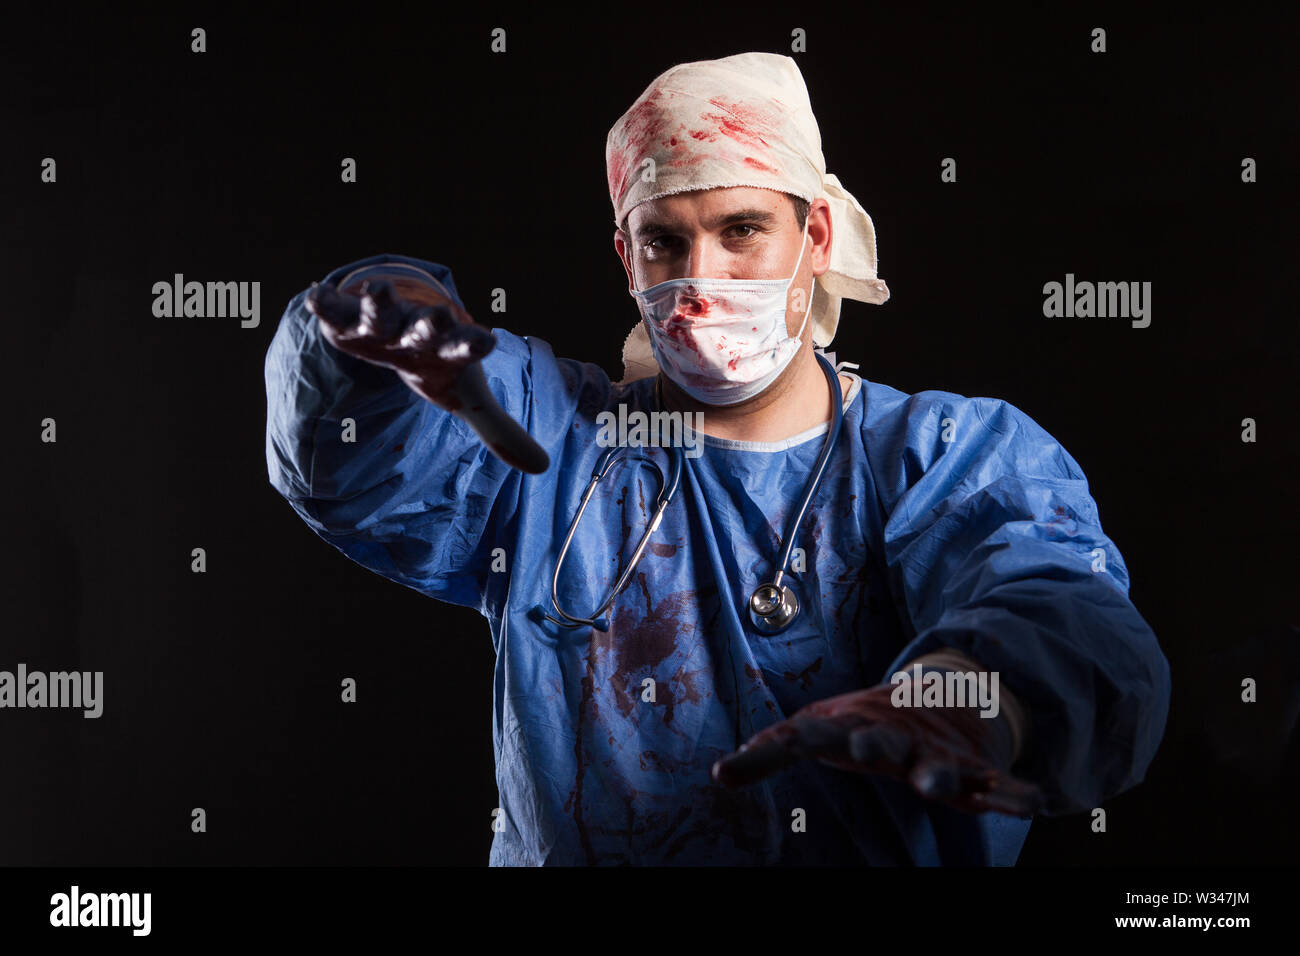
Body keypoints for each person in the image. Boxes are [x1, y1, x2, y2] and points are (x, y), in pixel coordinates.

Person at [263, 52, 1170, 865]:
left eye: (741, 230)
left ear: (814, 238)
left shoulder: (944, 457)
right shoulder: (559, 438)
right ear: (626, 256)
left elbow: (1063, 606)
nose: (702, 280)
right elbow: (356, 465)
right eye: (665, 241)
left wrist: (969, 696)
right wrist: (368, 345)